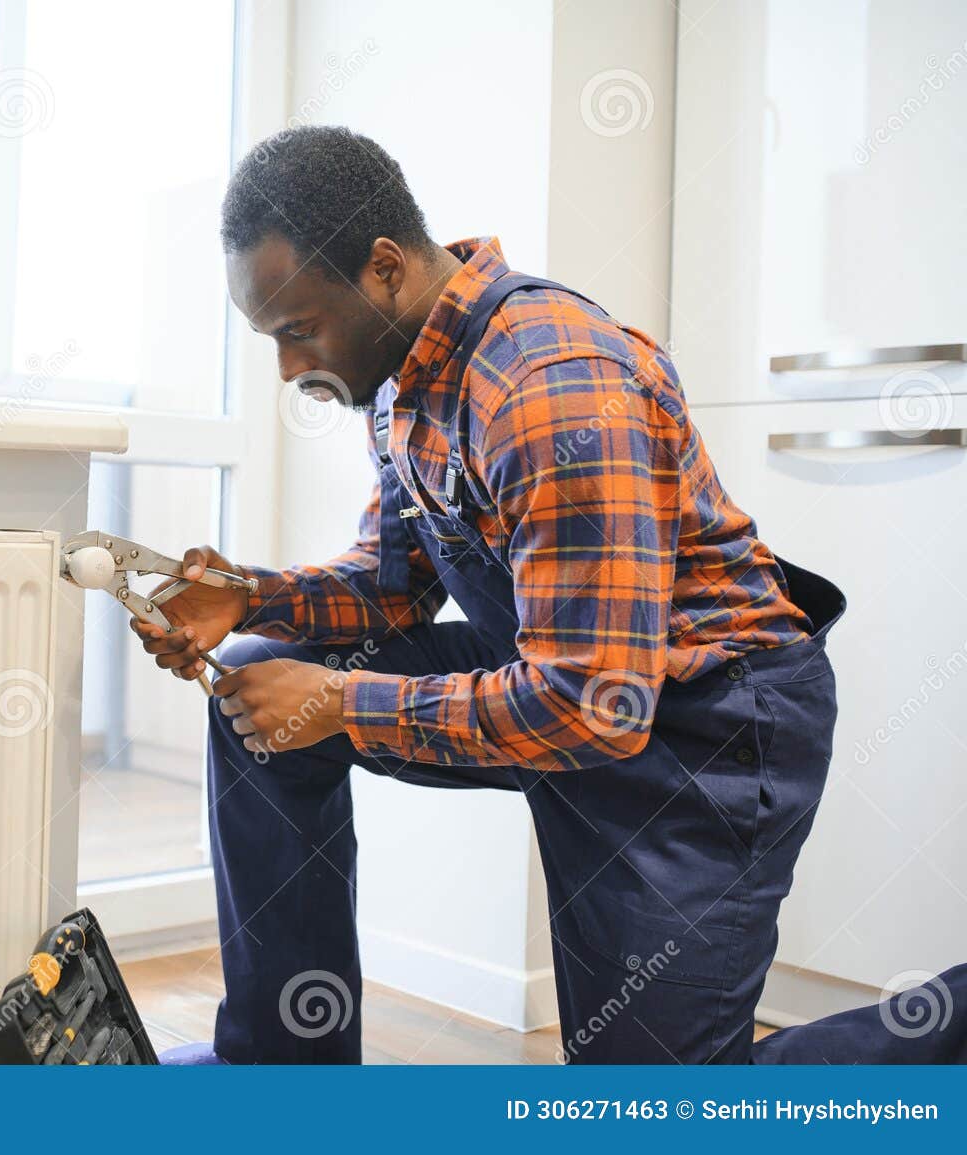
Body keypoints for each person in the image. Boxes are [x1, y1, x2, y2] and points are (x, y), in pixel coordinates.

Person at [132, 125, 967, 1065]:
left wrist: (338, 702)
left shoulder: (548, 384)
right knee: (255, 691)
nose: (290, 368)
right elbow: (390, 586)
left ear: (384, 267)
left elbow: (593, 704)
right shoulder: (403, 383)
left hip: (699, 727)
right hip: (558, 679)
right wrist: (249, 598)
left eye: (300, 330)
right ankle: (278, 1074)